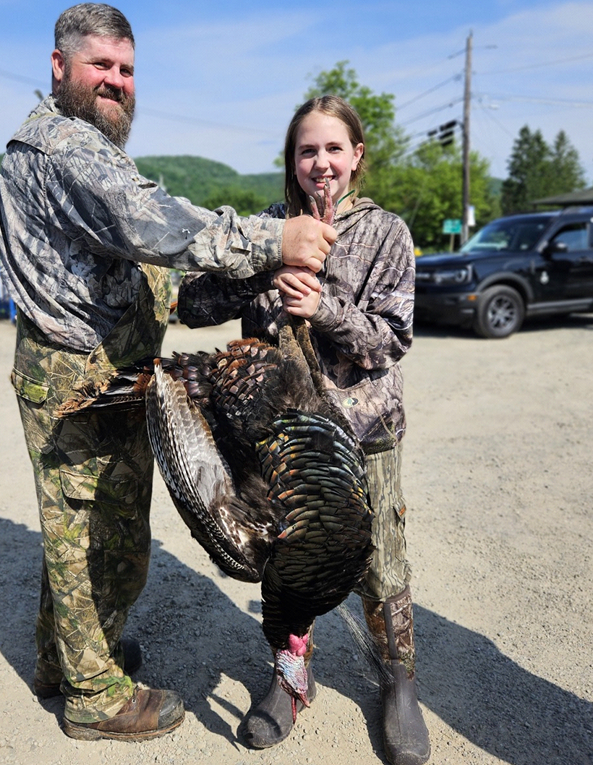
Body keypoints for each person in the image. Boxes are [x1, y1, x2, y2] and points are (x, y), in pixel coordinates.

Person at [0, 3, 335, 744]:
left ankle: (70, 661)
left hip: (100, 372)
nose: (116, 81)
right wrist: (276, 237)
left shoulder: (80, 145)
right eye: (101, 67)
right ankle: (93, 696)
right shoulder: (63, 148)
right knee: (96, 539)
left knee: (79, 531)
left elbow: (130, 266)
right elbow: (156, 225)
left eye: (126, 69)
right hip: (78, 383)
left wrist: (233, 287)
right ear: (61, 67)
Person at [176, 95, 430, 764]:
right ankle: (290, 677)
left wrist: (324, 309)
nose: (321, 163)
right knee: (286, 559)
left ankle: (398, 681)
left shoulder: (385, 233)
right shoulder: (264, 229)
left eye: (334, 149)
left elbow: (392, 339)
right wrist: (265, 262)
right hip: (276, 438)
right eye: (307, 150)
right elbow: (194, 301)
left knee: (379, 553)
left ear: (357, 157)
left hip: (361, 434)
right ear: (291, 159)